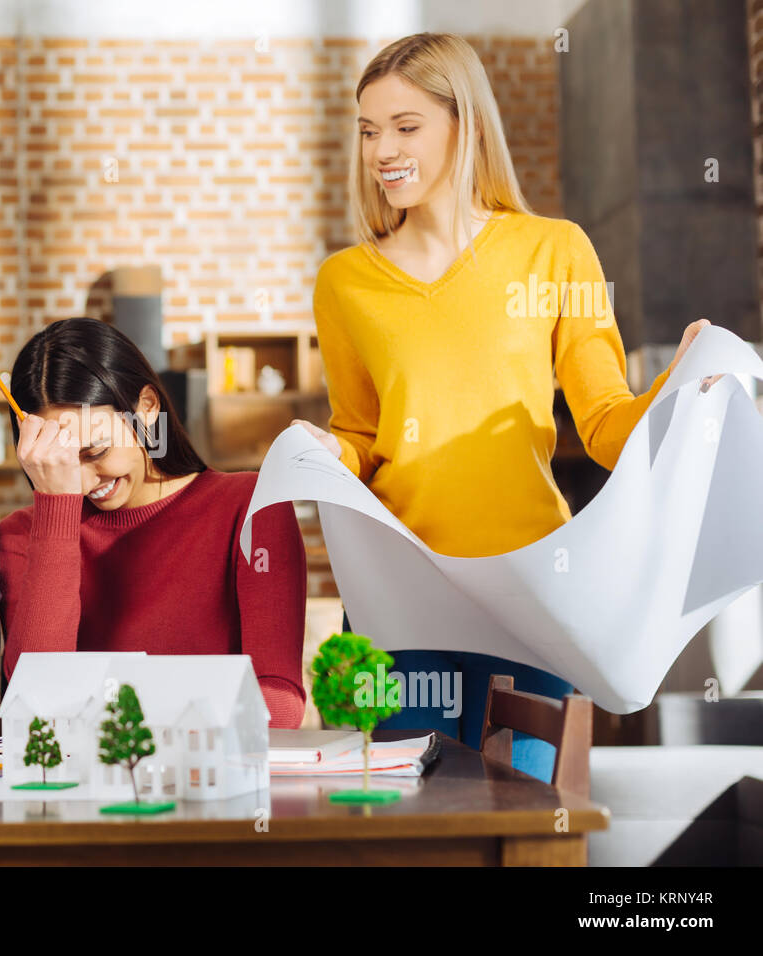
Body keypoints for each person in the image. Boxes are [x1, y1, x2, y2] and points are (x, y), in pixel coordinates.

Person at [297, 33, 718, 780]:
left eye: (405, 126)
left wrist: (679, 390)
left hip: (532, 589)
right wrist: (328, 452)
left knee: (528, 811)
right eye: (368, 130)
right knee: (405, 819)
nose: (381, 150)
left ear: (465, 126)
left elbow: (606, 426)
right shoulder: (344, 282)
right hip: (400, 593)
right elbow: (360, 433)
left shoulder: (556, 251)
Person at [0, 318, 308, 728]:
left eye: (95, 451)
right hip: (85, 789)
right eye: (60, 461)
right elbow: (37, 713)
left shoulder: (251, 508)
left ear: (146, 408)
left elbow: (279, 703)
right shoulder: (22, 537)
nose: (86, 481)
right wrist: (56, 505)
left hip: (211, 783)